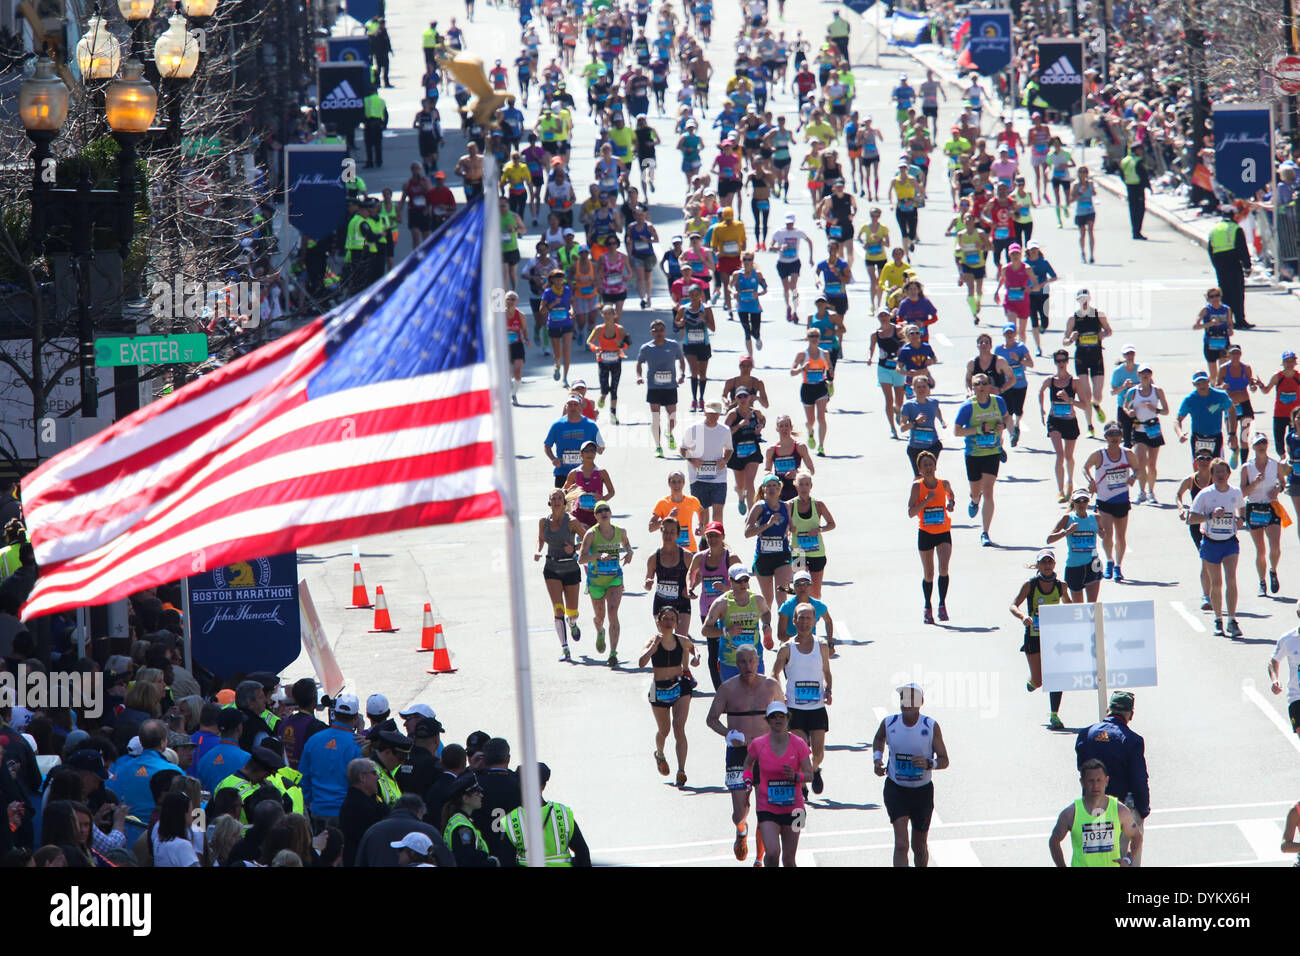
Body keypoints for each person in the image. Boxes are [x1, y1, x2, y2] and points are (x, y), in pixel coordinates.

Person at [873, 684, 949, 868]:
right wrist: (877, 760)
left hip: (921, 793)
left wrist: (929, 763)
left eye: (912, 699)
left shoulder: (930, 726)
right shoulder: (889, 723)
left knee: (919, 846)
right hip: (896, 790)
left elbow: (944, 760)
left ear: (921, 702)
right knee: (901, 845)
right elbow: (878, 739)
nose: (906, 703)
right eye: (903, 698)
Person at [1075, 691, 1150, 865]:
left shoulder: (1086, 734)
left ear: (1108, 709)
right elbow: (1140, 781)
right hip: (1121, 811)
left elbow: (1082, 768)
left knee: (1094, 861)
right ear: (1130, 714)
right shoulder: (1133, 740)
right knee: (1125, 860)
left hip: (1091, 810)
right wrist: (1143, 810)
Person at [739, 701, 812, 868]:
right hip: (767, 807)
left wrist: (795, 776)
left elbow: (810, 775)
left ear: (787, 718)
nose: (778, 720)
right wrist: (748, 781)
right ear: (768, 720)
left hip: (795, 809)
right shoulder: (758, 744)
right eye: (773, 717)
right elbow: (747, 764)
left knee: (789, 860)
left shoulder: (798, 743)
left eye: (781, 716)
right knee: (772, 854)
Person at [771, 605, 831, 795]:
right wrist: (780, 696)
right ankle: (803, 782)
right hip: (795, 708)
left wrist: (829, 689)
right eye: (801, 618)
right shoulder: (786, 648)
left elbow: (827, 672)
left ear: (814, 621)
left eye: (808, 618)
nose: (804, 622)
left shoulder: (821, 646)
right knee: (800, 748)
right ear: (794, 621)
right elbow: (774, 674)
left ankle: (814, 769)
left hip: (817, 707)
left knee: (819, 753)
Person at [1010, 549, 1070, 727]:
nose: (1047, 565)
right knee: (1039, 680)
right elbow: (1013, 605)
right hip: (1034, 636)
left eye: (1050, 562)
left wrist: (1075, 615)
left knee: (1057, 676)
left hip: (1055, 637)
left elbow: (1068, 604)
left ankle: (1054, 714)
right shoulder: (1030, 585)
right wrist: (1023, 617)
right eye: (1043, 562)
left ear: (1054, 564)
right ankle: (1032, 681)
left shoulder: (1061, 586)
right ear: (1038, 565)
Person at [1188, 458, 1246, 637]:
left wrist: (1240, 520)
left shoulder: (1235, 492)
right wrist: (1210, 515)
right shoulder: (1205, 494)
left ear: (1229, 474)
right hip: (1211, 542)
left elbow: (1242, 512)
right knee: (1217, 583)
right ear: (1212, 476)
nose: (1220, 475)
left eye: (1223, 472)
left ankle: (1232, 620)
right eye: (1217, 472)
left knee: (1231, 579)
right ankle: (1218, 619)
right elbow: (1191, 518)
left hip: (1229, 542)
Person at [640, 607, 697, 788]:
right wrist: (654, 646)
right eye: (665, 618)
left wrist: (696, 659)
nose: (668, 622)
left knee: (679, 727)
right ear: (658, 622)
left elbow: (695, 651)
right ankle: (660, 753)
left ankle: (681, 770)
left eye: (672, 618)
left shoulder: (682, 640)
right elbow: (641, 663)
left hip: (679, 687)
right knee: (664, 730)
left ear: (676, 622)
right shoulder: (652, 641)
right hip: (660, 689)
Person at [1048, 759, 1143, 867]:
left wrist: (1128, 859)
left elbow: (1136, 836)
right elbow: (1054, 841)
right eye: (1090, 781)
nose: (1095, 785)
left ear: (1106, 781)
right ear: (1082, 782)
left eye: (1099, 780)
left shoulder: (1119, 810)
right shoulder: (1071, 813)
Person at [954, 374, 1011, 546]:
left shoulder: (998, 401)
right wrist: (978, 429)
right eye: (977, 384)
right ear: (972, 387)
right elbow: (957, 431)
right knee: (976, 491)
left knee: (988, 491)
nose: (981, 387)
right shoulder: (968, 407)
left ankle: (985, 532)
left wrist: (1004, 426)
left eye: (984, 383)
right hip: (973, 454)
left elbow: (1007, 417)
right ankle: (974, 500)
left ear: (989, 386)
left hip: (992, 452)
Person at [501, 762, 592, 866]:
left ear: (520, 786)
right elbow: (583, 853)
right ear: (543, 786)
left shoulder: (511, 820)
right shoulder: (564, 814)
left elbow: (506, 860)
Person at [578, 500, 634, 665]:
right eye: (600, 510)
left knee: (613, 613)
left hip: (614, 579)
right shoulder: (591, 534)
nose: (604, 512)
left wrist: (629, 552)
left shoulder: (620, 532)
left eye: (606, 509)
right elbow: (581, 559)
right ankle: (600, 631)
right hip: (596, 582)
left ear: (610, 513)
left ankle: (613, 653)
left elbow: (627, 544)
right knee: (600, 617)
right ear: (595, 516)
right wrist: (597, 556)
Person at [1083, 422, 1138, 581]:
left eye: (1117, 435)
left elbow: (1138, 468)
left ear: (1121, 436)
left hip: (1121, 499)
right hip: (1105, 500)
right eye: (1111, 435)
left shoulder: (1127, 454)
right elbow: (1085, 468)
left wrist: (1133, 477)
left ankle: (1119, 567)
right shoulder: (1099, 454)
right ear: (1106, 437)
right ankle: (1109, 561)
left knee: (1121, 536)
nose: (1114, 438)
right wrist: (1091, 480)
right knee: (1107, 534)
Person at [536, 489, 586, 661]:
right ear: (549, 502)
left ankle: (572, 623)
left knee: (572, 611)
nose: (556, 501)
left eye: (559, 498)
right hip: (551, 567)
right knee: (558, 608)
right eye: (553, 499)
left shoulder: (571, 522)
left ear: (564, 503)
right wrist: (537, 551)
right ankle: (565, 648)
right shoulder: (543, 521)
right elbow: (541, 538)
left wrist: (574, 548)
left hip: (570, 568)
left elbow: (586, 538)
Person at [907, 450, 954, 624]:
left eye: (930, 464)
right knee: (929, 573)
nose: (928, 468)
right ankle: (928, 606)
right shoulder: (917, 487)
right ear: (919, 469)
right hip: (925, 533)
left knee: (943, 569)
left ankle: (942, 605)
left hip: (943, 532)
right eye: (924, 465)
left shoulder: (944, 483)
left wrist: (951, 504)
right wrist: (926, 501)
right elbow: (911, 512)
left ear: (935, 466)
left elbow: (951, 496)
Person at [1241, 432, 1287, 597]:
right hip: (1254, 507)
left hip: (1271, 506)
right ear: (1253, 447)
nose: (1262, 446)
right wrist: (1255, 483)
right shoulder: (1247, 467)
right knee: (1260, 550)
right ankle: (1262, 581)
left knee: (1275, 546)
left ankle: (1273, 570)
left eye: (1264, 443)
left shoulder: (1276, 465)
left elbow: (1283, 483)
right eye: (1258, 444)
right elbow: (1242, 492)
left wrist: (1278, 488)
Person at [1062, 288, 1112, 437]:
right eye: (1081, 300)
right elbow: (1064, 340)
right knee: (1086, 395)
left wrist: (1104, 334)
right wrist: (1071, 339)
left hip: (1096, 357)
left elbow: (1109, 330)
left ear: (1089, 300)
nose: (1084, 302)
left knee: (1098, 394)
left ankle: (1096, 406)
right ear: (1077, 301)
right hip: (1081, 359)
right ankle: (1090, 426)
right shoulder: (1073, 319)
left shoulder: (1098, 315)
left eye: (1086, 299)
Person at [1039, 349, 1085, 503]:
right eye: (1058, 361)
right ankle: (1060, 490)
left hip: (1070, 421)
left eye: (1063, 360)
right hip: (1055, 421)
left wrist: (1069, 399)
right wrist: (1042, 409)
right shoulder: (1050, 380)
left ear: (1067, 361)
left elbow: (1085, 405)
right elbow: (1041, 391)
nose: (1061, 364)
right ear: (1055, 362)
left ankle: (1070, 482)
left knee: (1068, 456)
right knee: (1059, 454)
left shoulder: (1075, 381)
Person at [637, 318, 687, 456]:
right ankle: (658, 446)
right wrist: (639, 376)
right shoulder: (646, 348)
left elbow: (681, 360)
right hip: (654, 387)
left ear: (665, 331)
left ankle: (668, 433)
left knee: (672, 418)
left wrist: (683, 374)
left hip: (670, 387)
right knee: (655, 418)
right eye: (656, 330)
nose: (659, 333)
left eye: (661, 330)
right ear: (651, 332)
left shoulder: (673, 345)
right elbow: (639, 363)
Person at [1123, 365, 1169, 504]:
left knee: (1152, 464)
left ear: (1151, 375)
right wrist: (1129, 412)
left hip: (1153, 428)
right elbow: (1125, 406)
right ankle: (1141, 492)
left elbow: (1166, 411)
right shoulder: (1133, 392)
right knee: (1141, 462)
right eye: (1143, 373)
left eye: (1148, 373)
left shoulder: (1157, 391)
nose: (1145, 376)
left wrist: (1154, 409)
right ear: (1138, 375)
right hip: (1139, 429)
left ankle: (1151, 492)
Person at [1177, 451, 1218, 609]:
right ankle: (1206, 596)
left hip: (1215, 522)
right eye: (1201, 458)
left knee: (1214, 560)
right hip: (1197, 524)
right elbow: (1178, 495)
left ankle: (1214, 592)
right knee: (1206, 559)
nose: (1204, 461)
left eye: (1208, 458)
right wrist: (1181, 508)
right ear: (1196, 461)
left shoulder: (1216, 478)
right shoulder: (1191, 480)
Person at [1048, 490, 1104, 602]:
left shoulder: (1095, 518)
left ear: (1088, 502)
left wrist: (1101, 530)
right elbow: (1049, 539)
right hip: (1074, 565)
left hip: (1093, 563)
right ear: (1073, 502)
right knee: (1078, 606)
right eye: (1078, 501)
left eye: (1085, 500)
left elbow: (1103, 535)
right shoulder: (1068, 518)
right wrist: (1067, 531)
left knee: (1093, 604)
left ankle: (1093, 620)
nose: (1082, 504)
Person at [682, 401, 733, 522]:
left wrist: (725, 459)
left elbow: (729, 449)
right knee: (703, 513)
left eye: (716, 414)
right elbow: (683, 449)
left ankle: (717, 538)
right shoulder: (693, 429)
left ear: (720, 414)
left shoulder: (724, 430)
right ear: (705, 412)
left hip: (718, 476)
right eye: (710, 413)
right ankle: (705, 539)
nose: (713, 416)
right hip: (698, 477)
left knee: (718, 512)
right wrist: (692, 460)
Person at [1177, 370, 1237, 465]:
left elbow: (1231, 410)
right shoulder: (1190, 399)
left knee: (1216, 467)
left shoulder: (1220, 396)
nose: (1202, 386)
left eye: (1204, 382)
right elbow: (1177, 420)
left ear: (1208, 381)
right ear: (1194, 384)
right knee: (1199, 469)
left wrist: (1232, 433)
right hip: (1198, 437)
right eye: (1198, 383)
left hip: (1215, 437)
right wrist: (1180, 434)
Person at [1208, 205, 1254, 330]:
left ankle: (1226, 321)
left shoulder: (1214, 230)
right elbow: (1242, 249)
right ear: (1234, 216)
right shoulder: (1235, 229)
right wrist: (1247, 266)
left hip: (1220, 264)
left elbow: (1210, 250)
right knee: (1237, 293)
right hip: (1233, 263)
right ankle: (1240, 320)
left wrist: (1216, 265)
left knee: (1225, 293)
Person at [543, 395, 604, 488]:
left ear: (580, 407)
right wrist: (553, 459)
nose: (573, 407)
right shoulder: (557, 425)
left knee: (585, 502)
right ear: (566, 407)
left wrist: (600, 448)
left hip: (585, 473)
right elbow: (547, 445)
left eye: (575, 404)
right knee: (562, 502)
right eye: (570, 404)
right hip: (563, 473)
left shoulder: (591, 425)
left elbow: (601, 444)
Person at [674, 284, 717, 411]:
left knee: (702, 373)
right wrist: (680, 323)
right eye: (691, 295)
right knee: (693, 371)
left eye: (696, 295)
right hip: (690, 344)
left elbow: (713, 328)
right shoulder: (683, 309)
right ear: (688, 296)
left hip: (703, 344)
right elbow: (676, 324)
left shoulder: (706, 309)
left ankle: (701, 398)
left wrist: (704, 320)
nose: (693, 298)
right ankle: (694, 399)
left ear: (700, 296)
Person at [440, 774, 498, 866]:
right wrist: (491, 863)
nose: (481, 795)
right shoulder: (462, 827)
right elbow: (467, 860)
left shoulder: (459, 820)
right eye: (477, 793)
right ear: (466, 799)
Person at [792, 328, 833, 456]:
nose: (814, 338)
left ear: (819, 338)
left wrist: (830, 374)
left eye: (816, 336)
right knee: (811, 421)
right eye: (811, 336)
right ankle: (810, 432)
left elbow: (829, 368)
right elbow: (792, 371)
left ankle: (821, 446)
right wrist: (802, 369)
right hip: (807, 389)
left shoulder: (825, 354)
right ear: (807, 338)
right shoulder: (802, 355)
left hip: (821, 387)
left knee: (821, 417)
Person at [726, 389, 766, 515]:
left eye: (745, 396)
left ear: (750, 398)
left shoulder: (756, 412)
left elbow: (763, 420)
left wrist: (760, 427)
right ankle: (741, 498)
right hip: (737, 452)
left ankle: (751, 514)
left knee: (750, 482)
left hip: (752, 450)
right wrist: (739, 426)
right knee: (740, 486)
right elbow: (725, 432)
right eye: (740, 396)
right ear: (736, 399)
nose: (743, 399)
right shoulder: (732, 414)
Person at [649, 470, 705, 555]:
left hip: (690, 549)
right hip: (669, 551)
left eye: (679, 482)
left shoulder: (692, 501)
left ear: (683, 483)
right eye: (673, 482)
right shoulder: (662, 503)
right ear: (669, 483)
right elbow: (651, 527)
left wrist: (701, 525)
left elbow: (701, 511)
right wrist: (668, 518)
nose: (676, 485)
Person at [1260, 350, 1300, 453]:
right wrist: (1260, 385)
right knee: (1279, 443)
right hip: (1279, 414)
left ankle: (1292, 462)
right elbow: (1266, 390)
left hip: (1295, 416)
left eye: (1291, 361)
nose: (1289, 364)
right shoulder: (1277, 377)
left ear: (1295, 362)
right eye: (1287, 361)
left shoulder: (1298, 377)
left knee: (1294, 441)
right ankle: (1282, 460)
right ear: (1283, 363)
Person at [1269, 606, 1300, 738]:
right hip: (1297, 697)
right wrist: (1275, 679)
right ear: (1299, 613)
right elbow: (1273, 661)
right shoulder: (1287, 639)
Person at [1195, 287, 1234, 380]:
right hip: (1210, 343)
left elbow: (1230, 323)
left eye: (1217, 295)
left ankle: (1222, 391)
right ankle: (1213, 388)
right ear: (1208, 298)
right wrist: (1210, 323)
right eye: (1212, 297)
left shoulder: (1226, 309)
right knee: (1213, 374)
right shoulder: (1206, 310)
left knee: (1223, 371)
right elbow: (1196, 326)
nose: (1215, 299)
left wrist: (1230, 330)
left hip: (1223, 342)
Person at [1069, 166, 1097, 263]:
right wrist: (1080, 193)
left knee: (1090, 231)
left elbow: (1094, 194)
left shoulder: (1090, 184)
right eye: (1081, 172)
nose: (1083, 174)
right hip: (1080, 212)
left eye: (1085, 172)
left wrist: (1093, 191)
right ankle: (1082, 252)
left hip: (1090, 211)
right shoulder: (1076, 185)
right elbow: (1071, 200)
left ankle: (1092, 255)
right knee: (1082, 233)